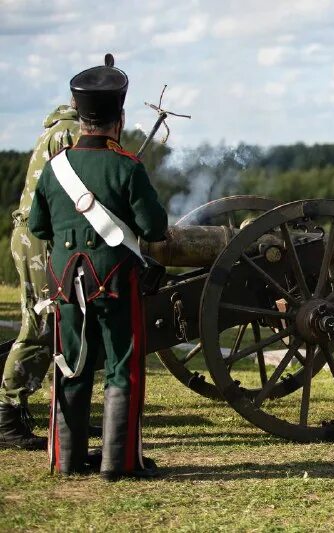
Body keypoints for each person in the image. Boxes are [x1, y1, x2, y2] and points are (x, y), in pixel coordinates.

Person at [28, 56, 168, 479]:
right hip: (114, 280)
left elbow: (38, 225)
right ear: (119, 117)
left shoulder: (55, 170)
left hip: (65, 283)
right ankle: (118, 464)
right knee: (121, 366)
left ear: (80, 116)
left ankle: (67, 461)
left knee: (70, 363)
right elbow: (154, 227)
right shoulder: (128, 166)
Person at [0, 105, 79, 450]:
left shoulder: (56, 128)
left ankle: (66, 412)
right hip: (40, 238)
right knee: (42, 324)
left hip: (35, 234)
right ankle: (6, 414)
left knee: (58, 324)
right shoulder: (70, 133)